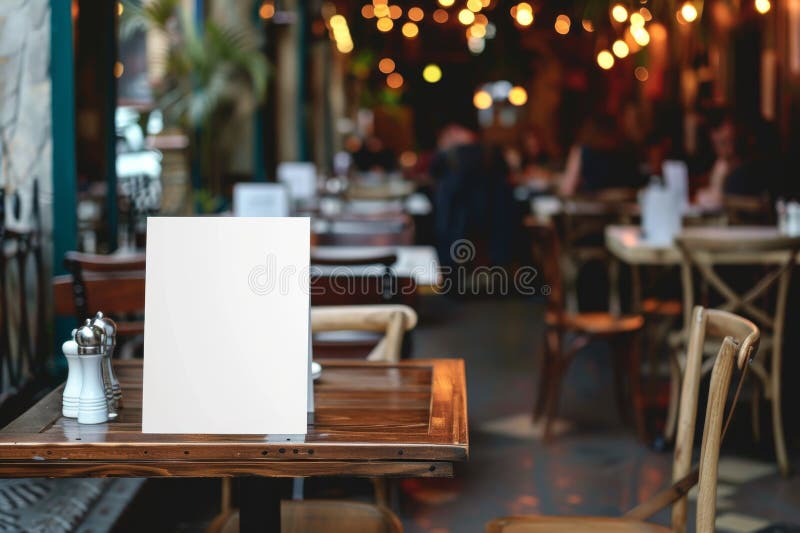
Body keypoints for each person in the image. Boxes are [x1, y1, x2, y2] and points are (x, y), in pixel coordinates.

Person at [429, 123, 517, 268]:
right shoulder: (493, 153)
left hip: (455, 236)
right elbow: (510, 179)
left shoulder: (446, 156)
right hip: (493, 234)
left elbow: (433, 178)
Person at [558, 113, 640, 196]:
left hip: (597, 204)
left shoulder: (583, 151)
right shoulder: (628, 150)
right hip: (616, 203)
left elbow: (568, 188)